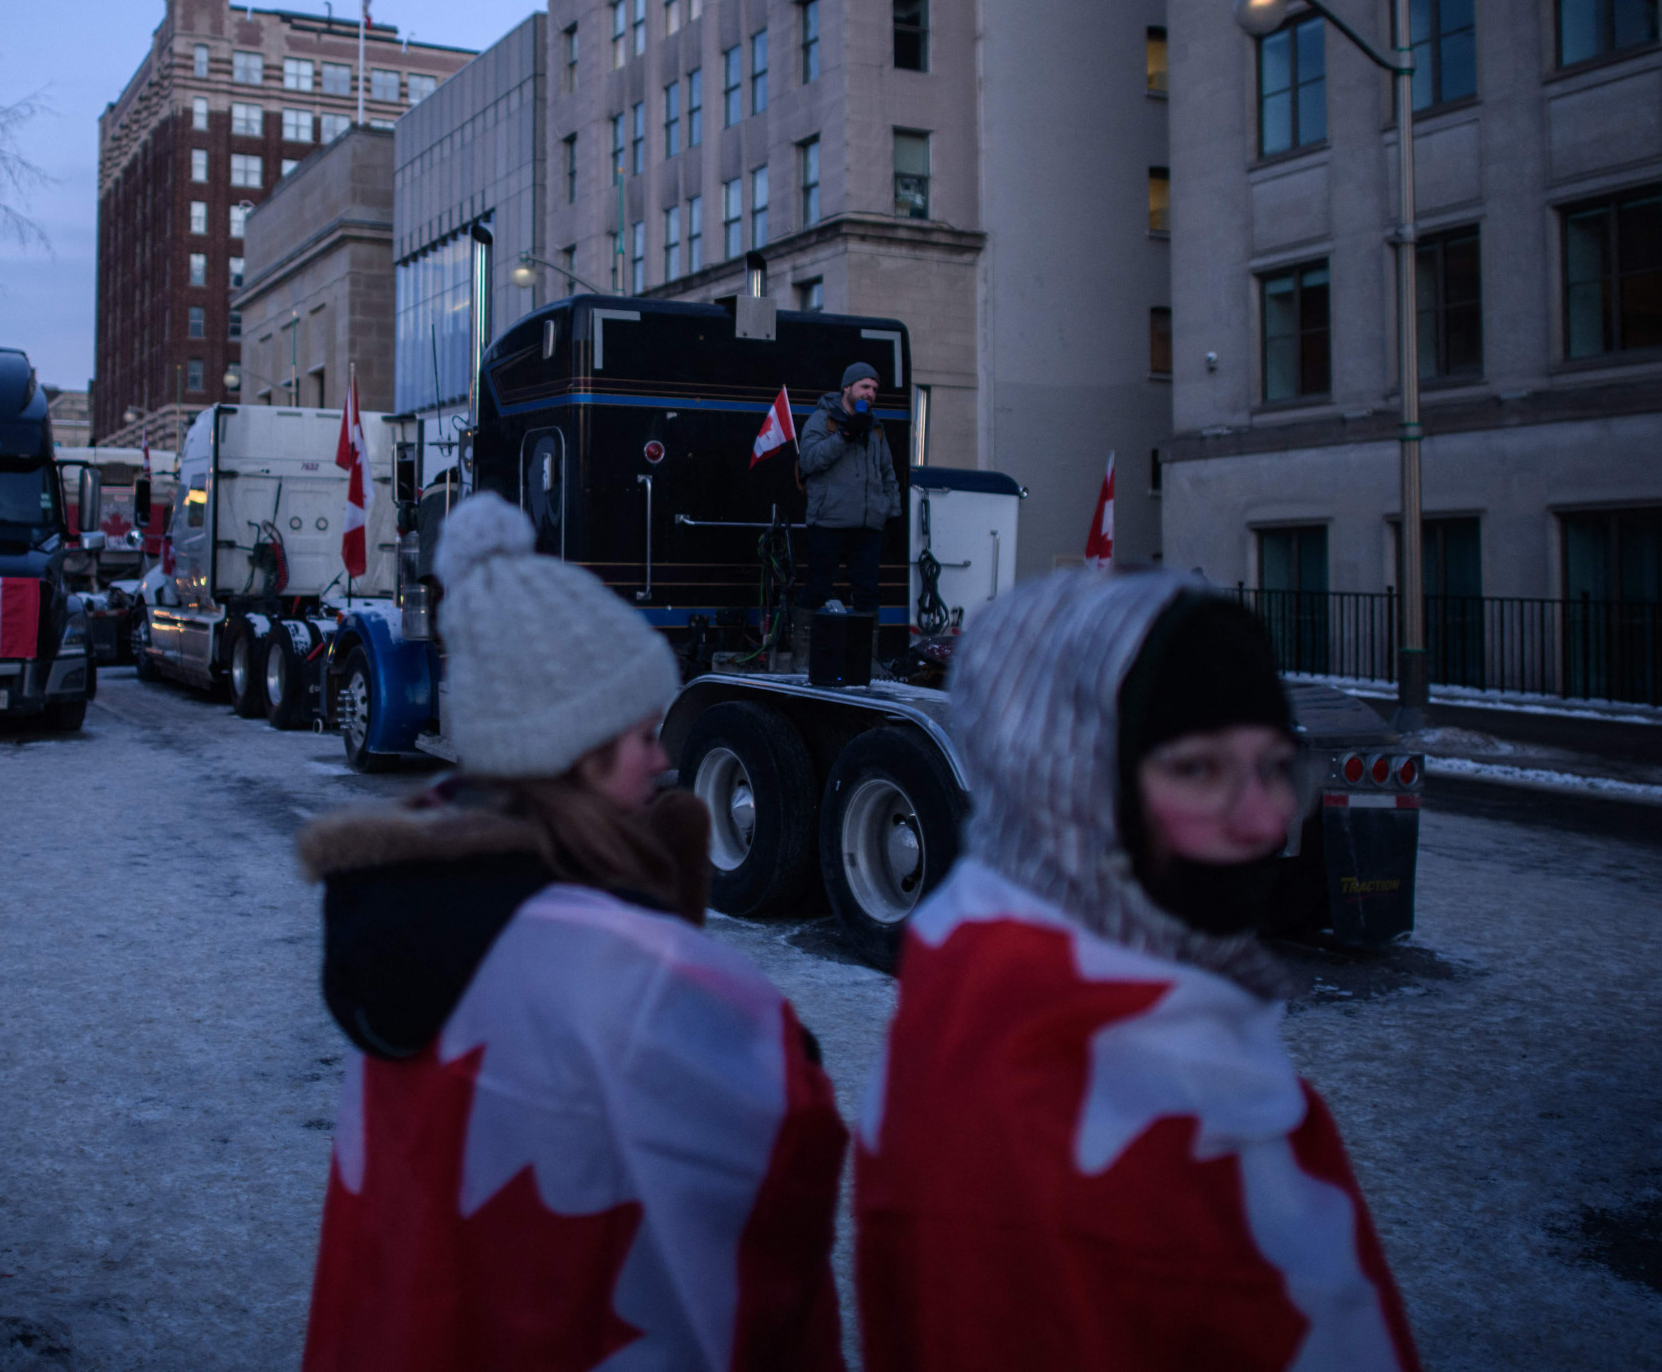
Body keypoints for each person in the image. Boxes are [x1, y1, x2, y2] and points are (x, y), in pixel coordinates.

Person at [299, 492, 847, 1372]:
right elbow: (785, 1127)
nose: (664, 759)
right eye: (642, 735)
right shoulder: (617, 968)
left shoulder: (409, 915)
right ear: (578, 752)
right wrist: (668, 939)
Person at [855, 570, 1419, 1372]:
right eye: (1199, 770)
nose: (1265, 819)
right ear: (1074, 788)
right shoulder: (1071, 1113)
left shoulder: (1006, 992)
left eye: (1274, 766)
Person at [796, 361, 898, 614]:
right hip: (829, 522)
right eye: (864, 387)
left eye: (874, 389)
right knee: (817, 589)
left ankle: (865, 642)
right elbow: (808, 461)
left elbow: (887, 472)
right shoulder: (823, 419)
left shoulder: (875, 426)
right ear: (847, 388)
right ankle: (801, 639)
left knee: (868, 595)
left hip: (867, 525)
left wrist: (889, 510)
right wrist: (845, 435)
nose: (870, 394)